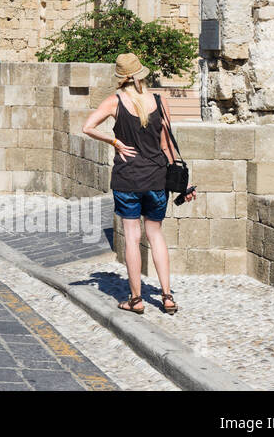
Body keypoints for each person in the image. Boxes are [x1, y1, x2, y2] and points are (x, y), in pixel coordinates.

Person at [82, 53, 194, 315]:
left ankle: (136, 299)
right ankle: (167, 297)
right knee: (156, 235)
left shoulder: (115, 101)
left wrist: (115, 142)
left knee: (132, 238)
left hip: (128, 177)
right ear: (142, 74)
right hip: (156, 177)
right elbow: (167, 145)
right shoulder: (159, 100)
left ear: (120, 78)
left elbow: (87, 127)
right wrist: (179, 184)